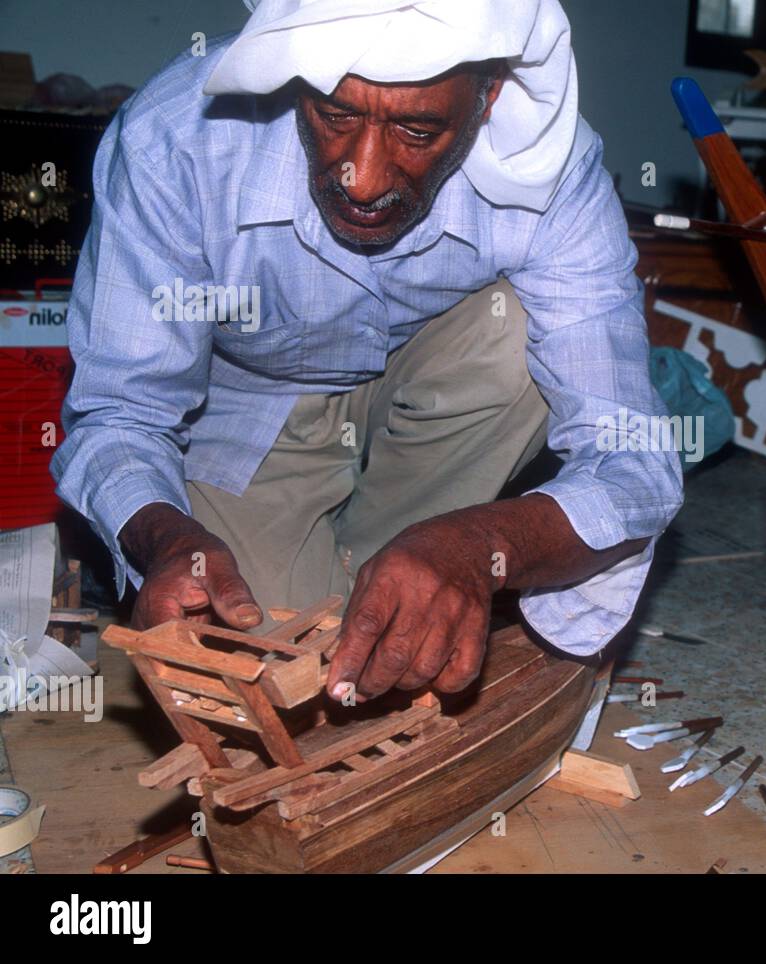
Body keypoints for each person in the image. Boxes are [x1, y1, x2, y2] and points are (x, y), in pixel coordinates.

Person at [52, 0, 682, 703]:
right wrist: (165, 541)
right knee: (257, 663)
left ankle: (411, 556)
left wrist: (480, 547)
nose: (366, 176)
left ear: (492, 92)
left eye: (418, 129)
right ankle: (372, 580)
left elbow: (634, 456)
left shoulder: (556, 169)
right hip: (250, 410)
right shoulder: (176, 140)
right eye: (335, 116)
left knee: (515, 334)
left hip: (430, 380)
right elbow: (119, 415)